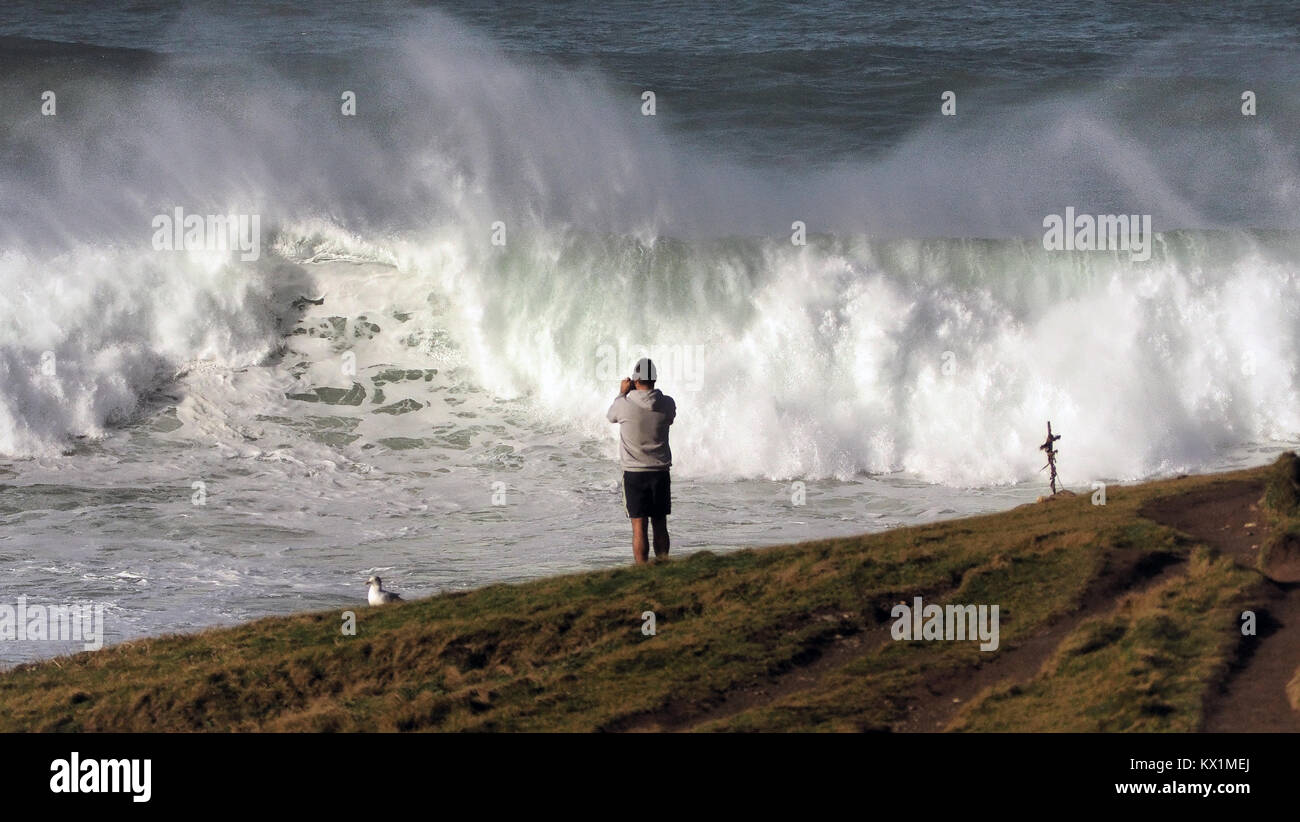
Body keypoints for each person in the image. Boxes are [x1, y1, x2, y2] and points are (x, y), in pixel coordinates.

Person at [606, 357, 676, 564]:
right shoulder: (667, 403)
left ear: (635, 380)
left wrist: (622, 392)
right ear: (654, 379)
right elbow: (670, 417)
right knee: (660, 524)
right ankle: (664, 566)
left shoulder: (623, 404)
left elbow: (610, 416)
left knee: (639, 527)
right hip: (660, 472)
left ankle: (642, 572)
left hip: (634, 473)